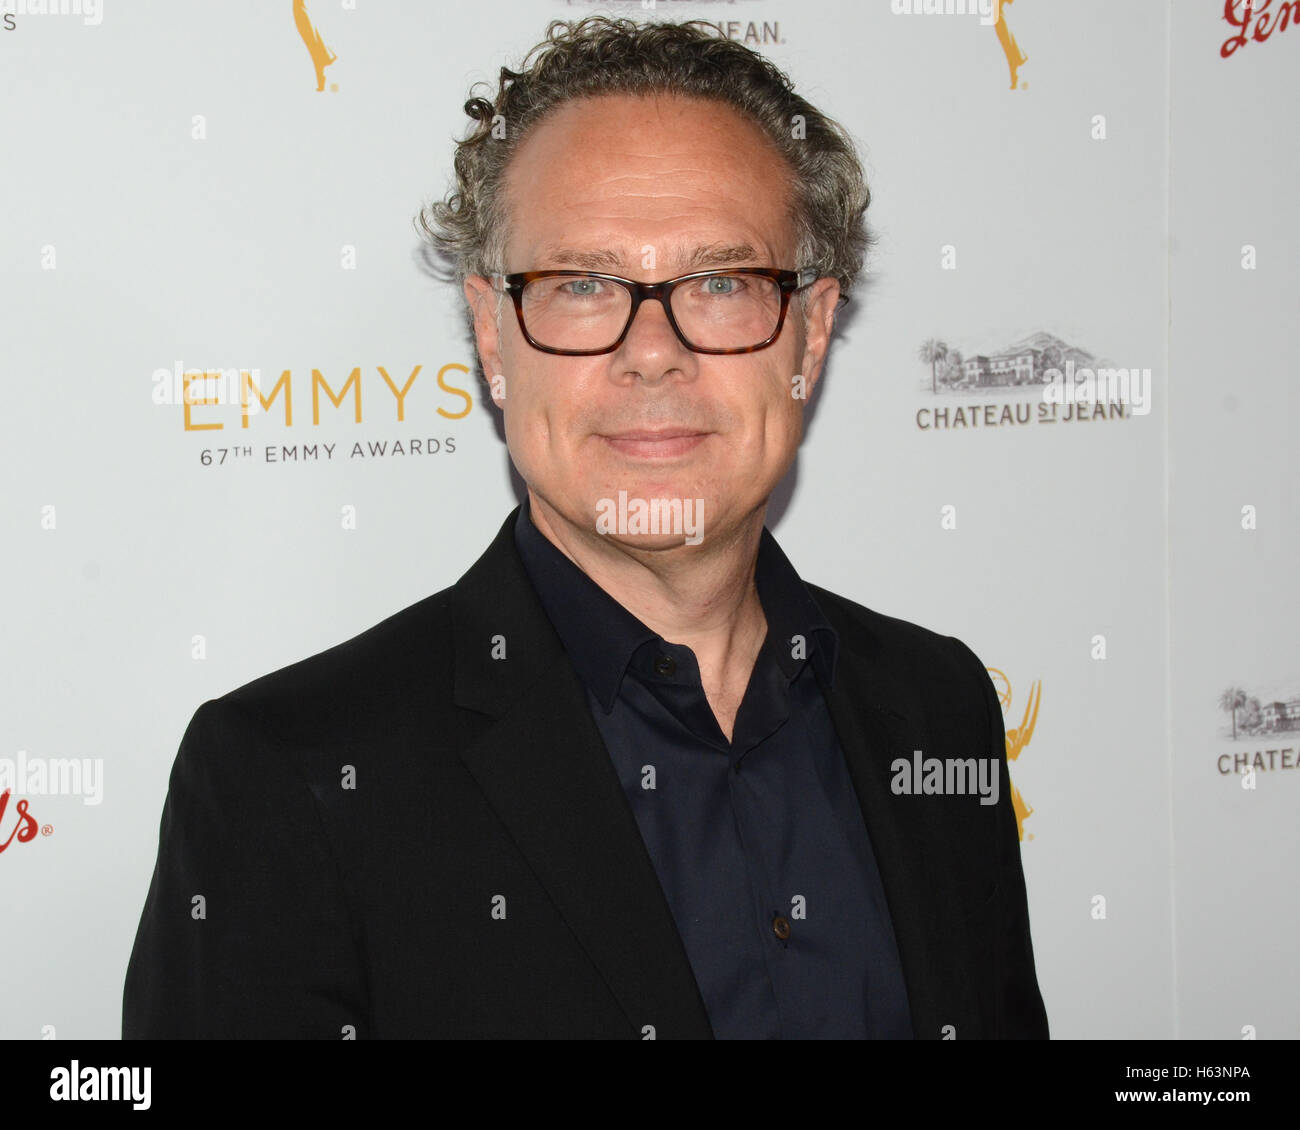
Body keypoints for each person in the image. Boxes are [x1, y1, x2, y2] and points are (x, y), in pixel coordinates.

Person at [123, 16, 1048, 1040]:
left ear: (812, 331)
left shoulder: (935, 707)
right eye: (581, 285)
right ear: (490, 335)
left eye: (719, 282)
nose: (652, 352)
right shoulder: (288, 780)